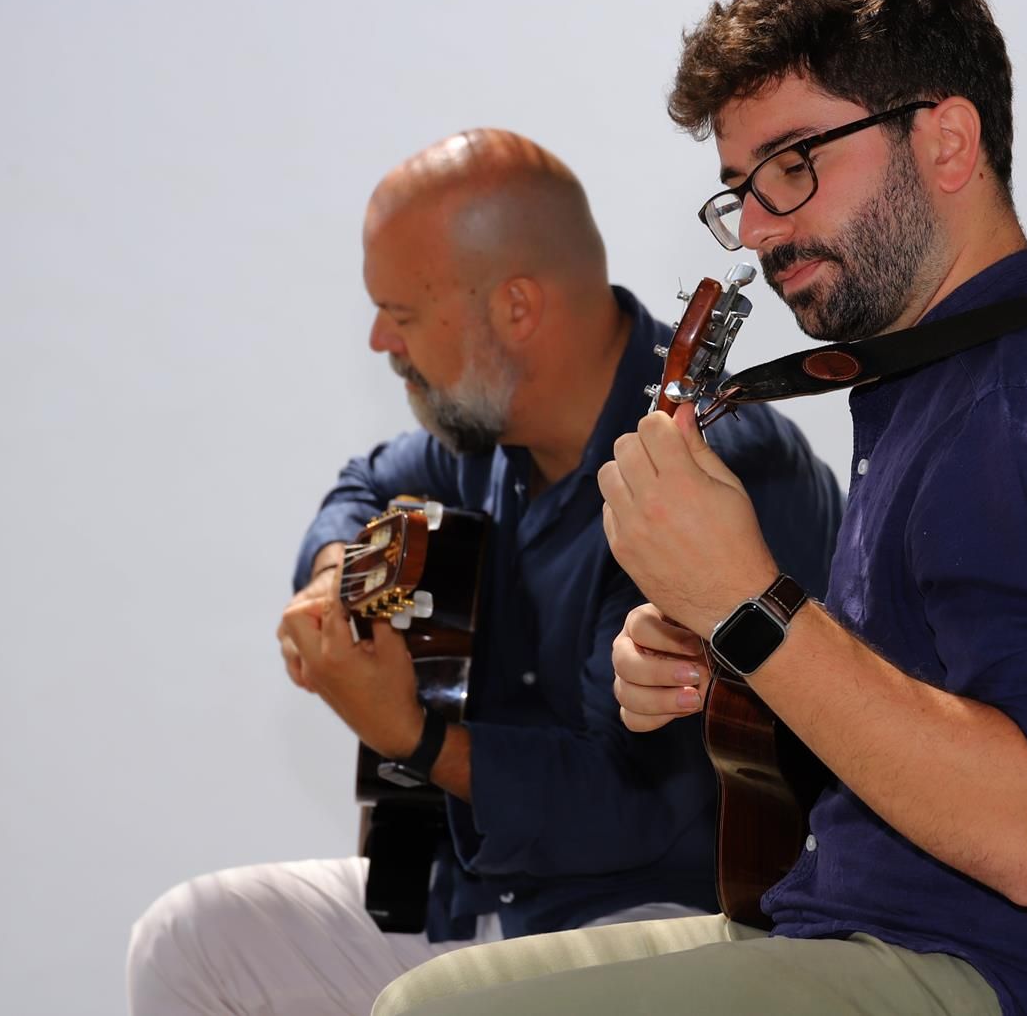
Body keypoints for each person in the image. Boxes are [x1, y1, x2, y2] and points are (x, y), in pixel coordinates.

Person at [372, 0, 1027, 1016]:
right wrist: (719, 657)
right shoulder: (923, 385)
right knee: (423, 993)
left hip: (993, 978)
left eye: (792, 163)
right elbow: (924, 716)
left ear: (945, 140)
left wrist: (751, 607)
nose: (760, 227)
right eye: (739, 190)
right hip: (838, 919)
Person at [126, 129, 844, 1016]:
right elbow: (363, 486)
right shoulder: (480, 439)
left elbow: (632, 801)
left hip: (676, 926)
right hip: (488, 899)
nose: (379, 337)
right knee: (192, 938)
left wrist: (417, 737)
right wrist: (333, 577)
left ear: (516, 309)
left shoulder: (719, 472)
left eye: (403, 311)